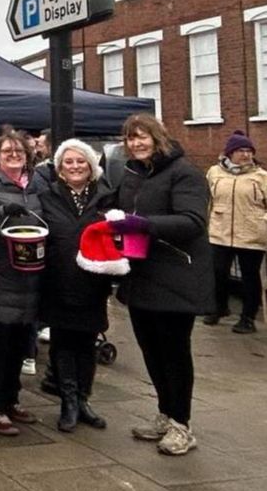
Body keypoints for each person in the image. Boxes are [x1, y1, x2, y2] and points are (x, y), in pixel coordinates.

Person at [115, 114, 214, 456]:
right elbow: (117, 207)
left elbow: (192, 221)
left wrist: (142, 224)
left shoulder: (184, 172)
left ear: (158, 138)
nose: (136, 143)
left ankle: (181, 425)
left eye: (142, 137)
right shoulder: (133, 174)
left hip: (175, 277)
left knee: (174, 353)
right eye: (130, 138)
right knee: (151, 350)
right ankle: (164, 412)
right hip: (141, 275)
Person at [0, 127, 44, 436]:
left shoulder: (37, 182)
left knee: (20, 345)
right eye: (7, 152)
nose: (14, 156)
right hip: (0, 272)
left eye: (19, 152)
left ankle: (12, 399)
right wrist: (3, 211)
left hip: (31, 274)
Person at [39, 139, 112, 432]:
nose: (75, 166)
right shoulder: (48, 196)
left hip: (94, 282)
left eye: (80, 161)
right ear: (59, 168)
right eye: (68, 162)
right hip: (58, 282)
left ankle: (83, 400)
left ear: (91, 166)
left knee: (87, 343)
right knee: (63, 344)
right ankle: (68, 401)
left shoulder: (106, 197)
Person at [205, 130, 265, 333]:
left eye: (249, 151)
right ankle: (219, 307)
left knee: (250, 276)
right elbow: (208, 201)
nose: (246, 155)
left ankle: (247, 317)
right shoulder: (214, 173)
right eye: (241, 150)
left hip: (251, 233)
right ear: (230, 153)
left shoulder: (261, 176)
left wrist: (263, 222)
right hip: (219, 232)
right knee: (218, 272)